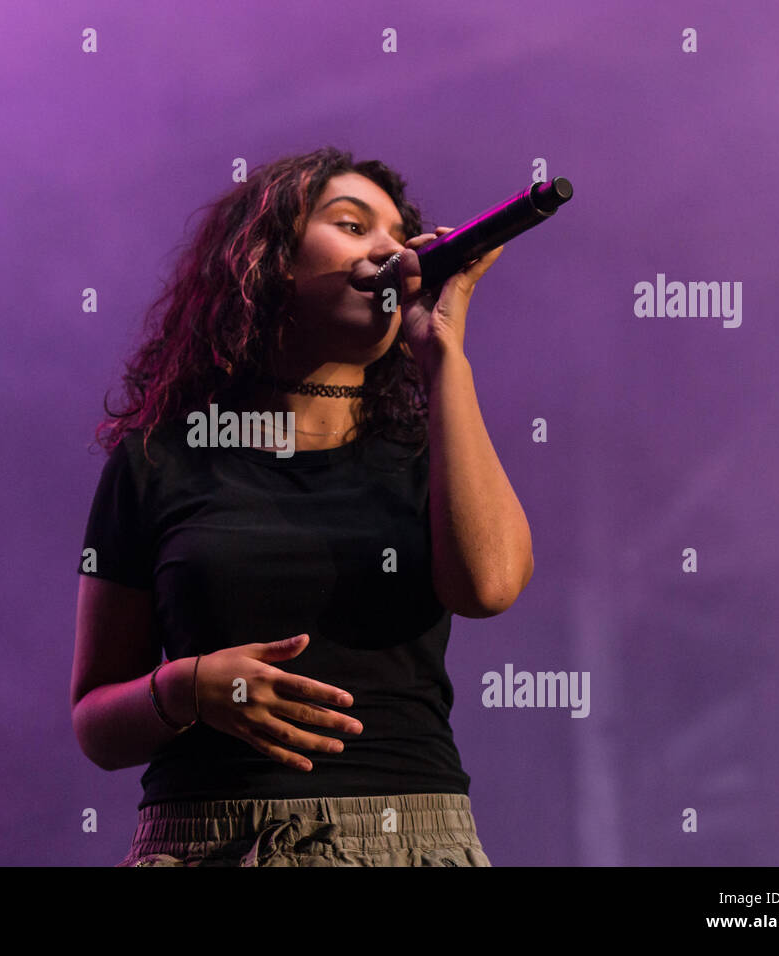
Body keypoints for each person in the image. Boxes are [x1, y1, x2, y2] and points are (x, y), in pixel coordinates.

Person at [71, 146, 533, 866]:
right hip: (209, 841)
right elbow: (96, 723)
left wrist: (442, 352)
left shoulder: (429, 450)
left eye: (396, 232)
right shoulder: (160, 459)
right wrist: (189, 686)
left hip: (406, 841)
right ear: (269, 262)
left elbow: (491, 586)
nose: (389, 248)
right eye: (353, 225)